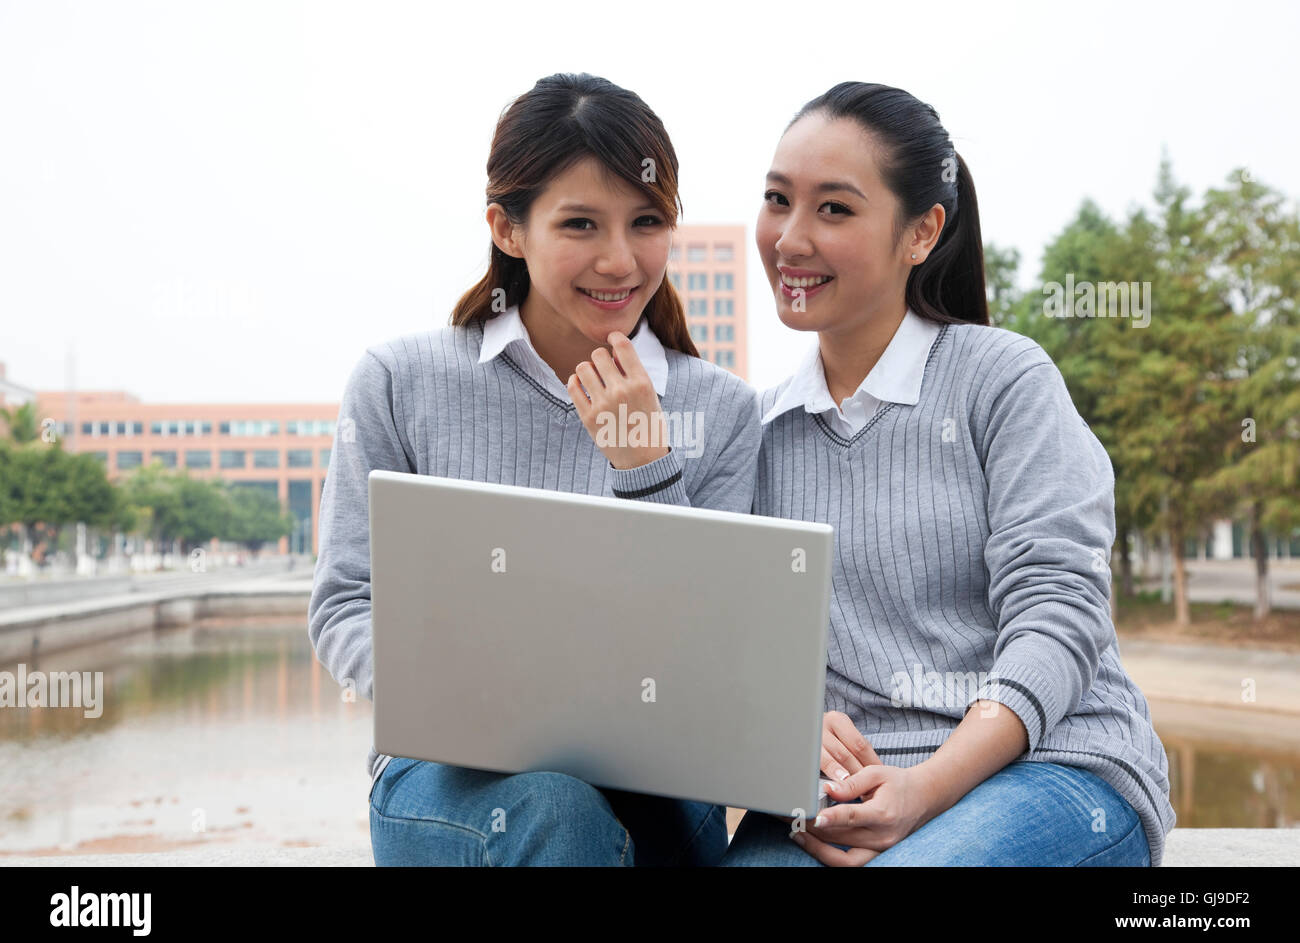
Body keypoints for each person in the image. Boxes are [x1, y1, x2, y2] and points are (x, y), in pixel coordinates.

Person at [308, 72, 761, 866]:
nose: (620, 260)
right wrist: (454, 699)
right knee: (555, 811)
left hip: (654, 781)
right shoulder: (400, 381)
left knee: (577, 813)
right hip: (448, 776)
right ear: (507, 229)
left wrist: (645, 462)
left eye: (647, 222)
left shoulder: (721, 409)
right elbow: (346, 600)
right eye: (580, 223)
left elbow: (721, 646)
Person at [720, 81, 1176, 866]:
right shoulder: (756, 433)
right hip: (845, 793)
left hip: (1047, 765)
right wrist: (797, 758)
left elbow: (1059, 613)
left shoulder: (1002, 380)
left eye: (834, 209)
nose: (790, 239)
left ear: (922, 231)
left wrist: (924, 790)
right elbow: (730, 653)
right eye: (777, 200)